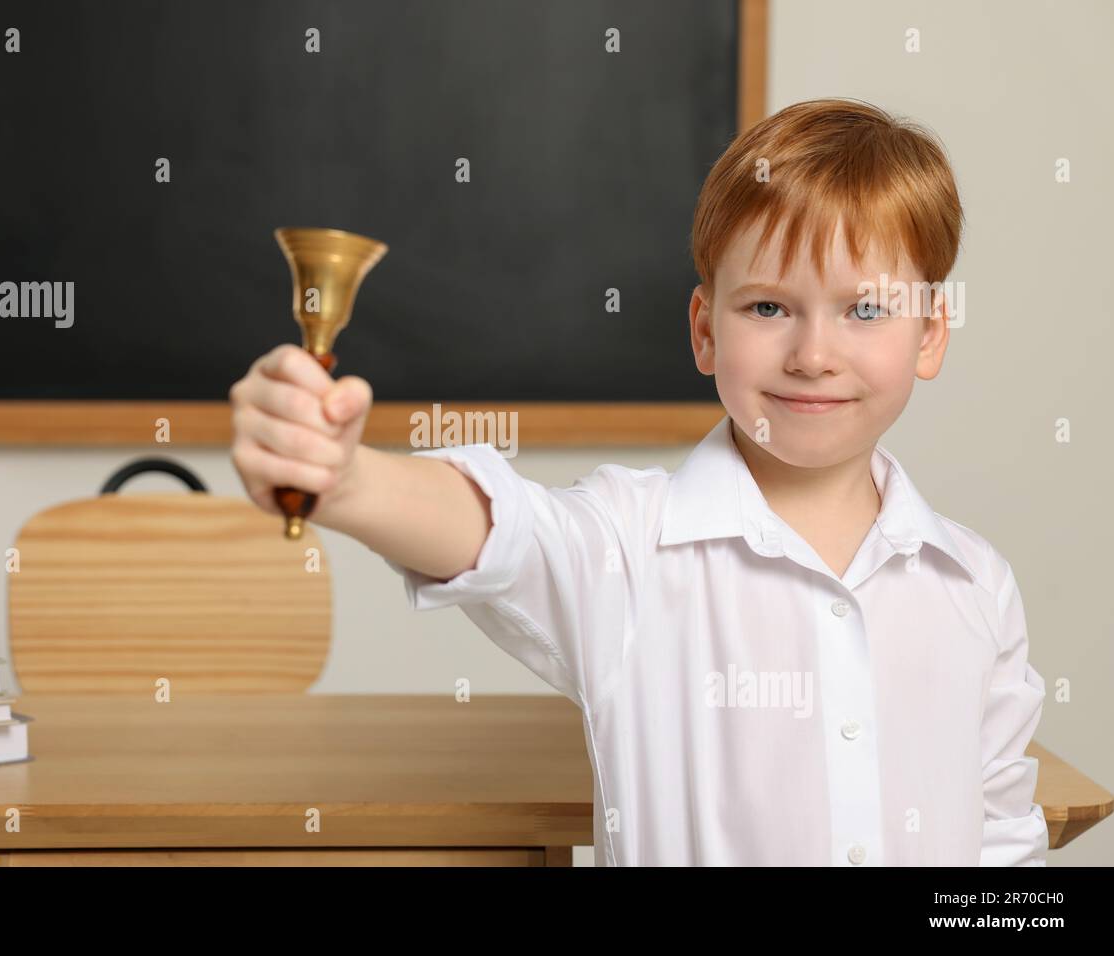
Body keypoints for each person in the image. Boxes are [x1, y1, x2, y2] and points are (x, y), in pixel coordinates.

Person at [228, 98, 1048, 866]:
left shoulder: (976, 585)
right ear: (704, 331)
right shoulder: (629, 545)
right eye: (767, 308)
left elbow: (1002, 840)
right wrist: (347, 479)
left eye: (864, 310)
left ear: (932, 334)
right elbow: (500, 531)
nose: (813, 354)